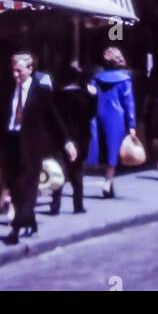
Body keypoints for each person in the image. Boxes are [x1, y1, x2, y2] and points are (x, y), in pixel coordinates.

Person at [0, 52, 76, 245]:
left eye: (19, 71)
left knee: (28, 185)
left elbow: (54, 118)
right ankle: (30, 222)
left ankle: (15, 229)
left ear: (30, 70)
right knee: (13, 184)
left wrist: (66, 142)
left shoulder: (41, 92)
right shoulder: (7, 90)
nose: (15, 75)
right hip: (11, 142)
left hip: (32, 145)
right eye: (13, 70)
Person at [88, 46, 140, 197]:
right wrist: (132, 124)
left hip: (99, 114)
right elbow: (129, 103)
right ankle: (108, 182)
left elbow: (90, 93)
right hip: (117, 117)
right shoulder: (124, 79)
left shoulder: (97, 78)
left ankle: (109, 184)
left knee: (103, 147)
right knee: (113, 150)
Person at [51, 62, 95, 215]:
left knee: (59, 170)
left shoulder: (57, 95)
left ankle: (55, 205)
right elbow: (91, 114)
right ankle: (78, 204)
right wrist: (93, 96)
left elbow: (53, 117)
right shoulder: (85, 95)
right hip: (81, 136)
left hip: (62, 136)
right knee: (77, 171)